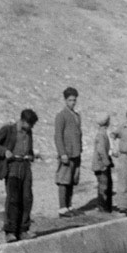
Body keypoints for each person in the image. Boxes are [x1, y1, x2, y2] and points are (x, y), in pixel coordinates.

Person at [0, 109, 38, 242]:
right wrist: (4, 152)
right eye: (30, 124)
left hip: (25, 167)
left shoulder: (29, 132)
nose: (31, 128)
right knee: (13, 199)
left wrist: (31, 155)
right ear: (23, 121)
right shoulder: (8, 130)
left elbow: (29, 148)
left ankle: (23, 230)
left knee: (27, 198)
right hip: (12, 168)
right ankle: (10, 231)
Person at [54, 87, 82, 217]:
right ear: (65, 100)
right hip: (66, 154)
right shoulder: (61, 116)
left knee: (72, 180)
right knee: (64, 180)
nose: (73, 102)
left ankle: (69, 205)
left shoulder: (77, 116)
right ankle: (62, 208)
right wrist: (62, 153)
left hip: (75, 153)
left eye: (74, 100)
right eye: (70, 100)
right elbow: (58, 136)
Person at [92, 114, 114, 213]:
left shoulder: (102, 133)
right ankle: (103, 207)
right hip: (101, 165)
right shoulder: (101, 135)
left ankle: (104, 207)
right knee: (104, 186)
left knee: (104, 185)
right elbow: (101, 150)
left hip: (101, 164)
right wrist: (107, 162)